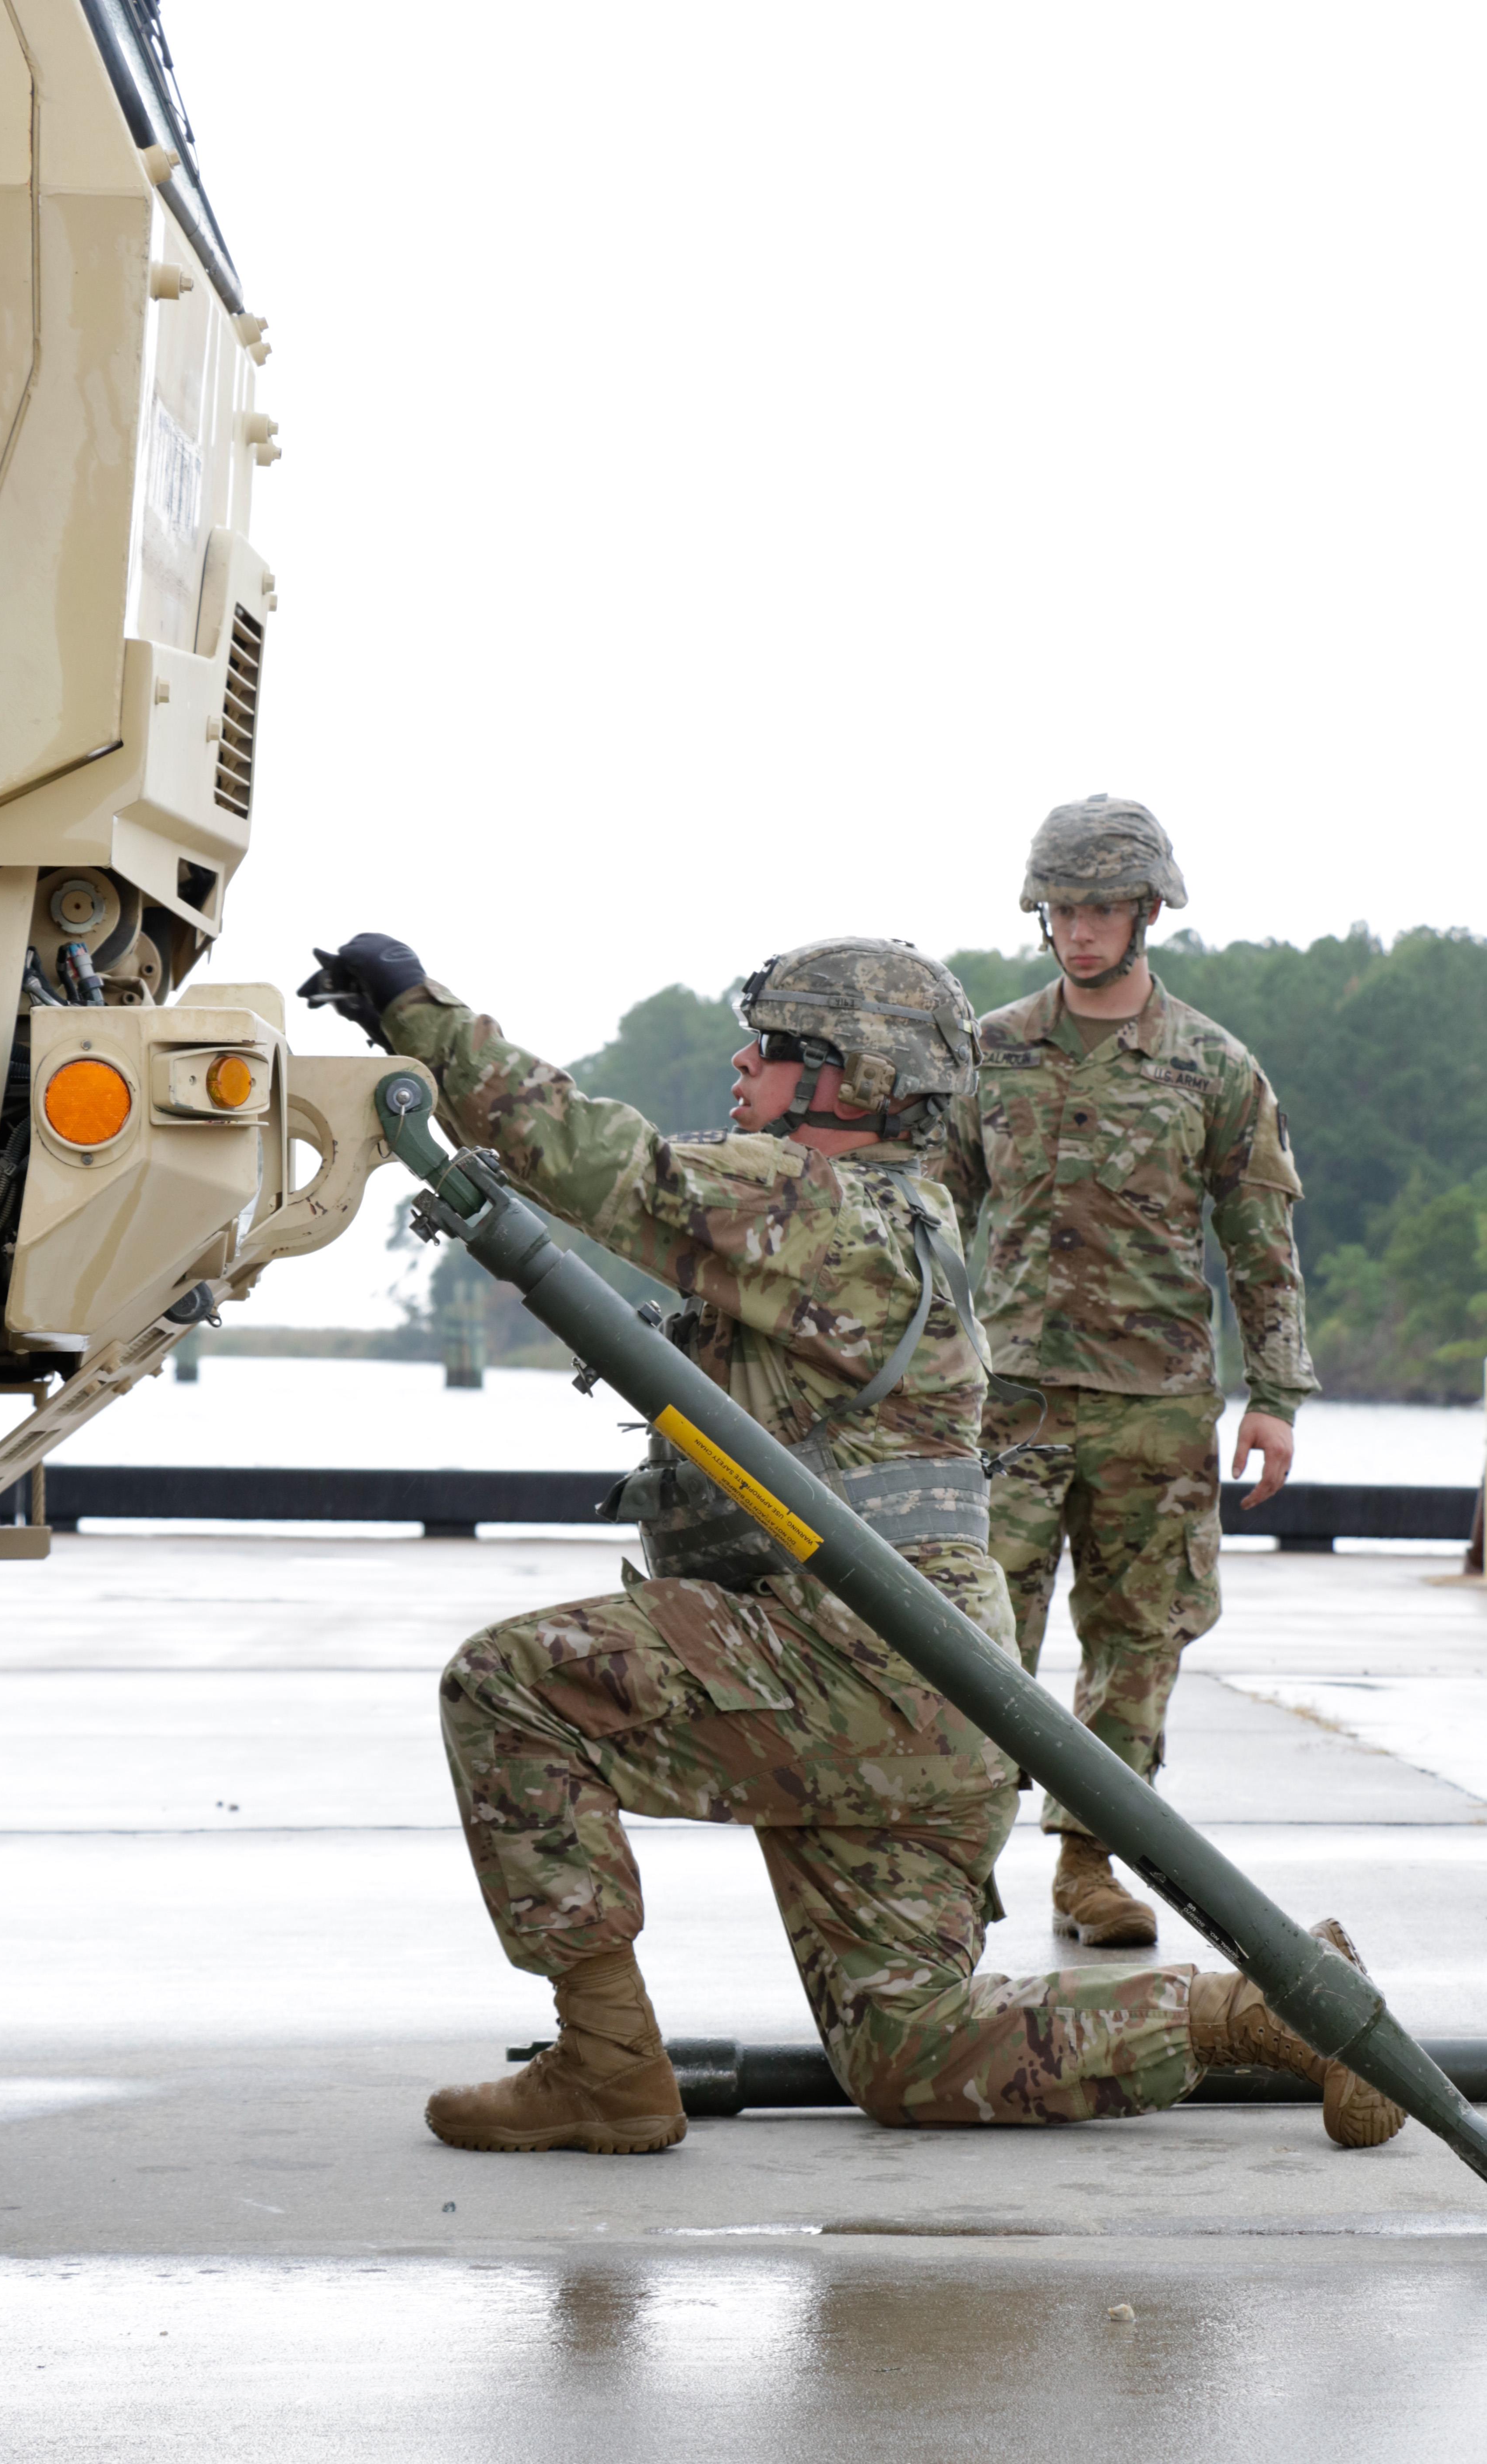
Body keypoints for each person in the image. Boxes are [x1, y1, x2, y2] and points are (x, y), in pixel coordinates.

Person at [299, 930, 1393, 2155]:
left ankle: (605, 2064)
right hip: (938, 1701)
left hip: (848, 1660)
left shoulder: (814, 1207)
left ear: (857, 1081)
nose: (743, 1066)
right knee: (910, 2054)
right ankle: (1260, 2016)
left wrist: (419, 1014)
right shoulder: (896, 1217)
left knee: (506, 1689)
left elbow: (606, 1169)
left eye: (774, 1049)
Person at [943, 797, 1318, 1949]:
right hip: (1008, 1403)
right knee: (970, 1636)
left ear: (1148, 911)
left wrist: (1276, 1398)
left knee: (1138, 1640)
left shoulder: (1212, 1064)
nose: (1080, 930)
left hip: (1155, 1408)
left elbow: (1259, 1239)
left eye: (1102, 909)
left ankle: (1088, 1864)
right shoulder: (989, 1052)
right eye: (1062, 909)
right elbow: (928, 1219)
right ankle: (951, 1869)